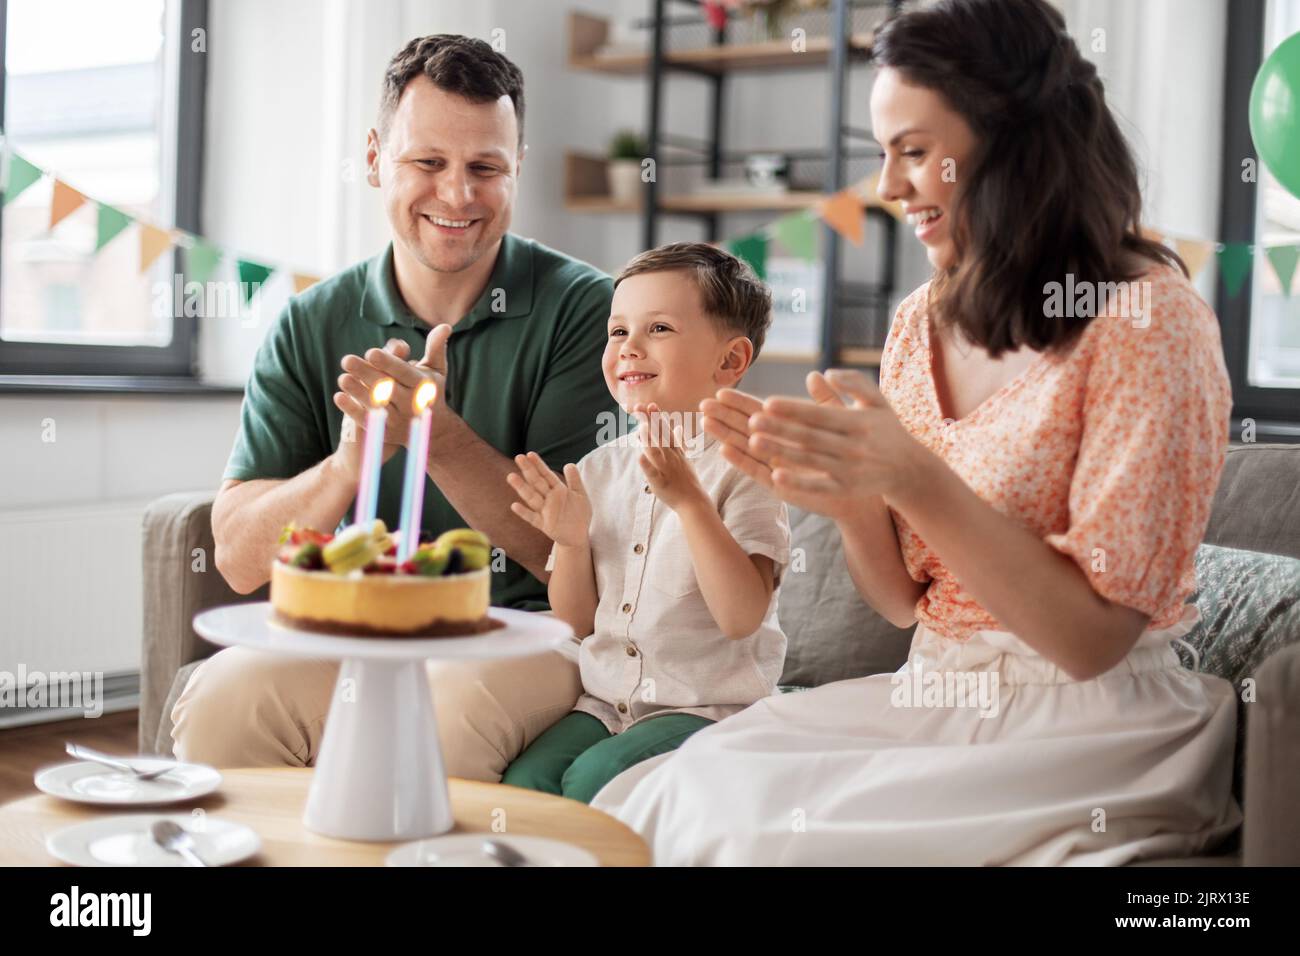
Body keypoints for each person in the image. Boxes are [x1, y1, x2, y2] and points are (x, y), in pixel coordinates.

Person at [588, 0, 1242, 865]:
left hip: (1083, 721)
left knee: (750, 837)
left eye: (913, 152)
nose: (889, 189)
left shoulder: (1147, 322)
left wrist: (917, 479)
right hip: (932, 687)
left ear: (1014, 140)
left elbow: (1092, 641)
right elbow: (903, 602)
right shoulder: (918, 322)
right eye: (882, 156)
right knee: (669, 789)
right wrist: (855, 498)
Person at [171, 35, 615, 778]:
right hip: (355, 622)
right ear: (375, 158)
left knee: (440, 713)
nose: (457, 194)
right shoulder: (311, 321)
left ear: (518, 170)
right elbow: (241, 559)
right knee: (226, 702)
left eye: (485, 168)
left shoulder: (586, 310)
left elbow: (573, 555)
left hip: (532, 633)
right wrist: (348, 464)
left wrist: (436, 437)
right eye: (427, 163)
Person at [499, 243, 790, 804]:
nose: (629, 348)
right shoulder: (597, 469)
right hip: (605, 704)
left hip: (706, 709)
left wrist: (690, 503)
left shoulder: (748, 466)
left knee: (592, 782)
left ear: (730, 361)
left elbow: (740, 617)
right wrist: (570, 540)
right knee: (524, 786)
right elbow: (576, 623)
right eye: (617, 332)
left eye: (658, 328)